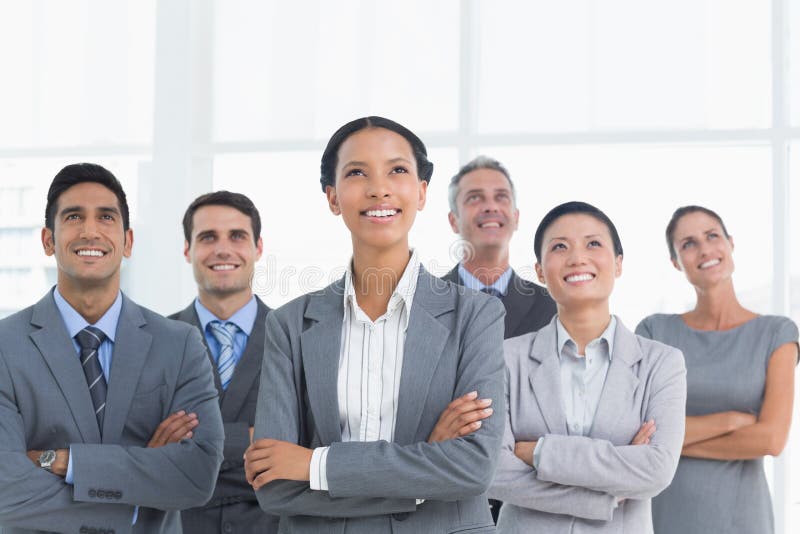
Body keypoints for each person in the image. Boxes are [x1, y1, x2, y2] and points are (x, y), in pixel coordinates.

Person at [243, 116, 506, 533]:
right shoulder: (289, 325)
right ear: (333, 197)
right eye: (356, 172)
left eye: (397, 170)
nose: (379, 187)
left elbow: (474, 469)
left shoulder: (476, 315)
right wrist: (425, 463)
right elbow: (274, 486)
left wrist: (314, 463)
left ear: (421, 193)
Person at [0, 163, 224, 534]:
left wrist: (63, 462)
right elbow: (6, 488)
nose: (90, 231)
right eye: (73, 217)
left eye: (106, 217)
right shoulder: (5, 346)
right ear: (48, 240)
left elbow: (197, 475)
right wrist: (136, 497)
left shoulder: (180, 344)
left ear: (128, 241)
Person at [489, 201, 687, 533]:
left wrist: (540, 452)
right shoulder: (505, 359)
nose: (577, 257)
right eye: (560, 247)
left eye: (593, 244)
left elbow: (656, 469)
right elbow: (492, 470)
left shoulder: (661, 363)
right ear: (539, 271)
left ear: (618, 263)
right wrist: (606, 494)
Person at [636, 205, 798, 534]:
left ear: (730, 243)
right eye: (689, 243)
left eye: (712, 236)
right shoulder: (654, 332)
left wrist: (670, 444)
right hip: (665, 516)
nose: (705, 249)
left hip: (743, 519)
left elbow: (771, 439)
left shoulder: (777, 333)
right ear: (675, 262)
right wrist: (728, 421)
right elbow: (635, 429)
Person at [170, 191, 278, 534]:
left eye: (237, 236)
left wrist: (195, 447)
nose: (222, 249)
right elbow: (143, 451)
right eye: (207, 237)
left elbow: (308, 443)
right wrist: (251, 439)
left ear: (258, 247)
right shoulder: (153, 341)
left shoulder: (298, 339)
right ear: (188, 250)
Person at [442, 156, 556, 338]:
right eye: (474, 198)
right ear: (453, 221)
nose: (491, 206)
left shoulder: (552, 308)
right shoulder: (426, 303)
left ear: (516, 217)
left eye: (501, 197)